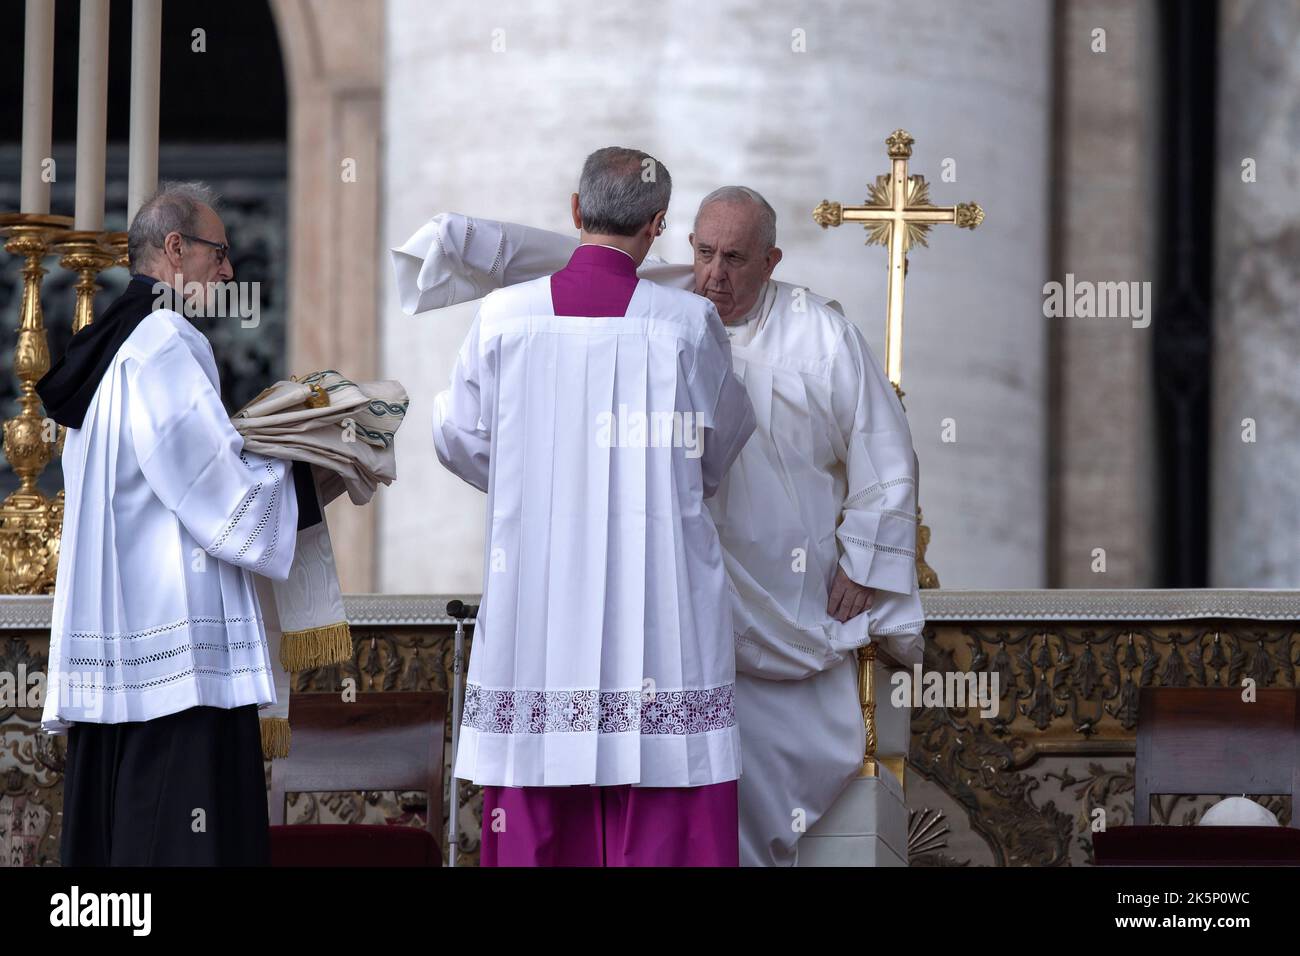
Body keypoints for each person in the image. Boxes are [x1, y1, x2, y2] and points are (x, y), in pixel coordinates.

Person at [393, 185, 924, 866]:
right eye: (704, 252)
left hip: (784, 602)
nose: (715, 275)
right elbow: (579, 257)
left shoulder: (820, 334)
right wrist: (454, 241)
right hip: (669, 604)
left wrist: (865, 557)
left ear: (772, 260)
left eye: (735, 258)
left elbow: (886, 449)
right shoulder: (666, 304)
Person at [430, 148, 755, 866]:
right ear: (659, 224)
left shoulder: (502, 318)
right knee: (666, 797)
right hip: (660, 614)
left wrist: (534, 484)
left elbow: (455, 438)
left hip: (539, 606)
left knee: (540, 795)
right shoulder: (687, 325)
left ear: (576, 212)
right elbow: (718, 447)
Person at [38, 181, 305, 866]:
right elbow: (218, 497)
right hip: (177, 652)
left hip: (129, 647)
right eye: (219, 255)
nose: (228, 273)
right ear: (176, 249)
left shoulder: (108, 350)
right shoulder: (162, 341)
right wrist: (310, 466)